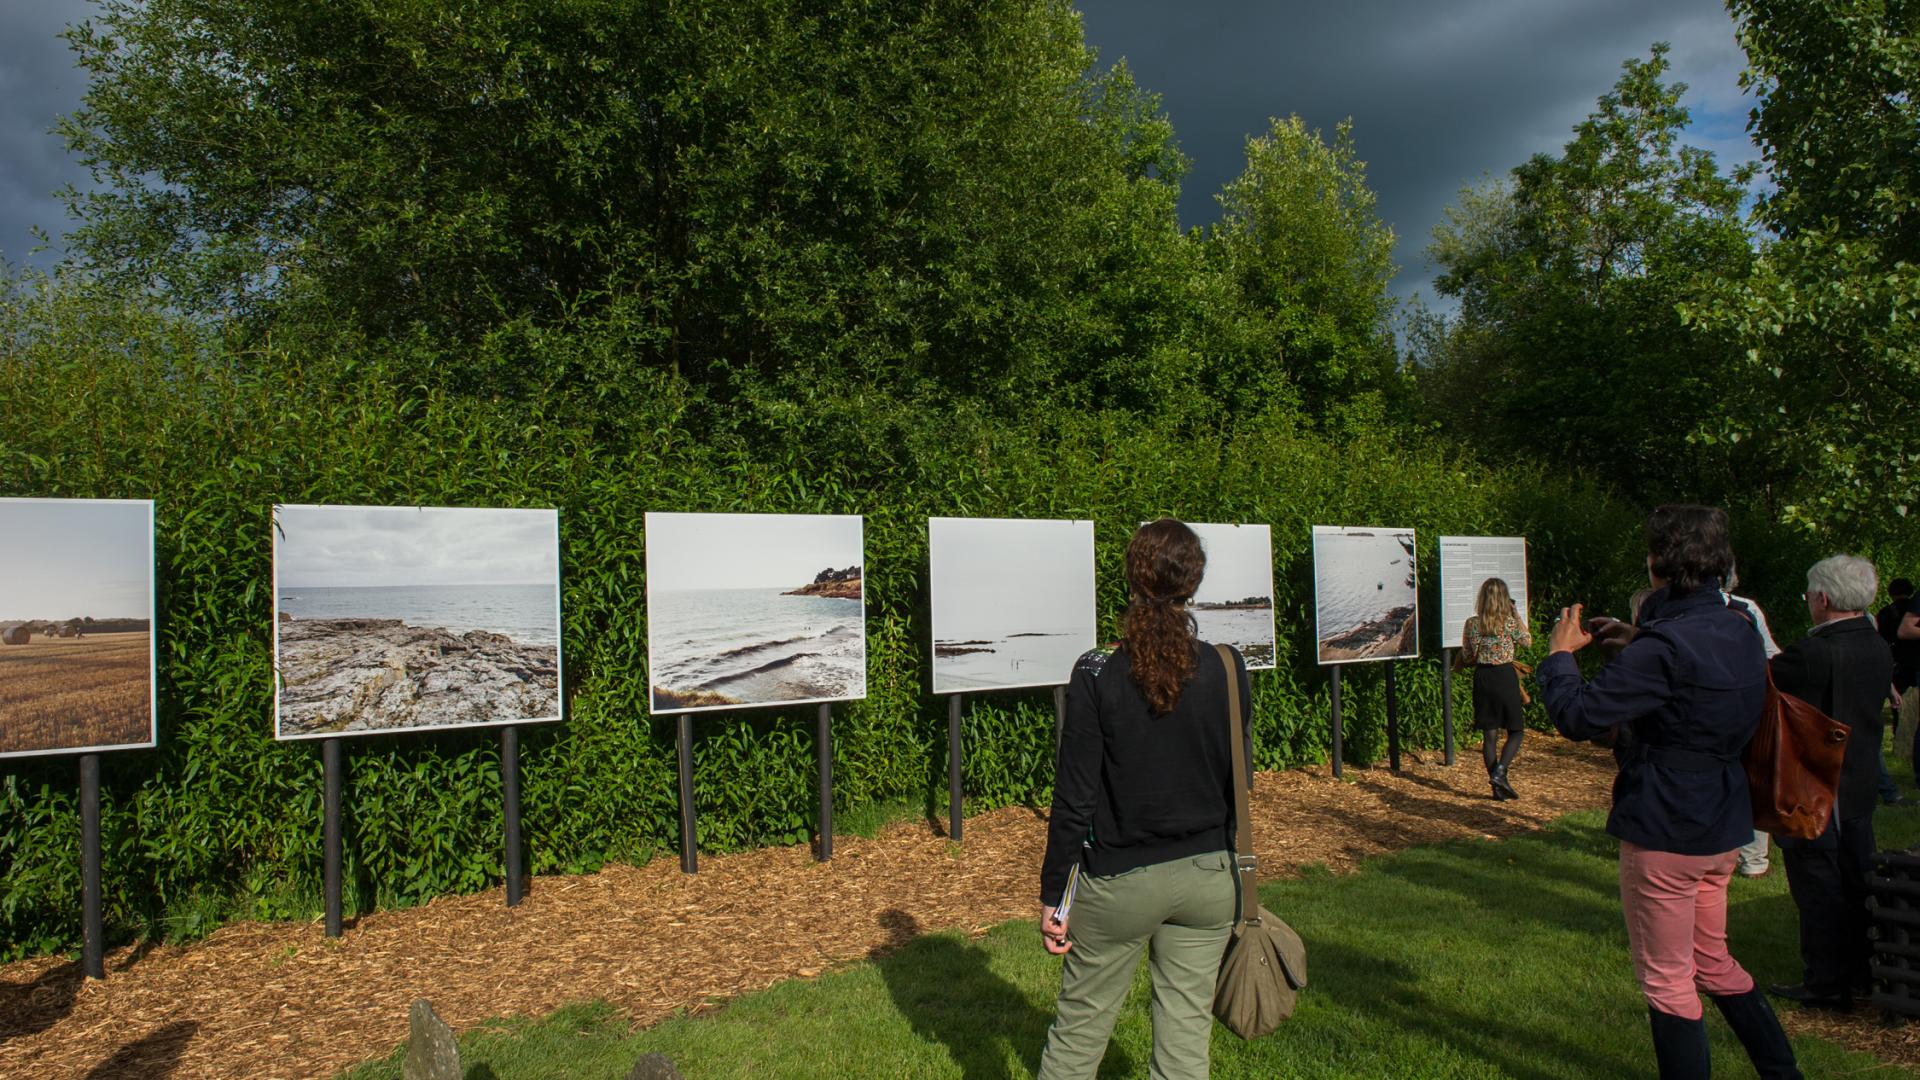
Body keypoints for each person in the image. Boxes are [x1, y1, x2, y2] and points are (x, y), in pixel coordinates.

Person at [1537, 505, 1801, 1079]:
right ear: (1720, 566)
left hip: (1667, 827)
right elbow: (1694, 678)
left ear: (1657, 564)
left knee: (1667, 981)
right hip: (1723, 824)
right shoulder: (1737, 629)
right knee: (1713, 961)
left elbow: (1579, 716)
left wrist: (1559, 655)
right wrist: (1638, 640)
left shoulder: (1665, 647)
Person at [1036, 518, 1253, 1080]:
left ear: (1131, 577)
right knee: (1185, 1050)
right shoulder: (1230, 668)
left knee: (1078, 1040)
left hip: (1119, 883)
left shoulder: (1096, 670)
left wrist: (1054, 895)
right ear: (1194, 581)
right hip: (1209, 877)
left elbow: (1074, 797)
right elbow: (1240, 779)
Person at [1768, 554, 1893, 1013]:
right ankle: (1860, 969)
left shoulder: (1815, 653)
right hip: (1858, 781)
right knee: (1855, 879)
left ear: (1821, 598)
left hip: (1818, 786)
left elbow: (1762, 684)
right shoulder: (1876, 644)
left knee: (1819, 884)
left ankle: (1826, 982)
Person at [1723, 569, 1782, 879]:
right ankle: (1747, 858)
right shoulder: (1746, 608)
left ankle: (1752, 858)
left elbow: (1770, 654)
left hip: (1740, 705)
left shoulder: (1744, 608)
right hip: (1741, 703)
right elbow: (1772, 655)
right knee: (1746, 777)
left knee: (1747, 776)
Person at [1460, 576, 1531, 800]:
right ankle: (1500, 773)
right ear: (1503, 599)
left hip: (1483, 677)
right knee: (1516, 731)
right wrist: (1516, 613)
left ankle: (1497, 789)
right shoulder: (1509, 622)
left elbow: (1467, 655)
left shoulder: (1472, 623)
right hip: (1504, 676)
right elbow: (1527, 641)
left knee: (1489, 735)